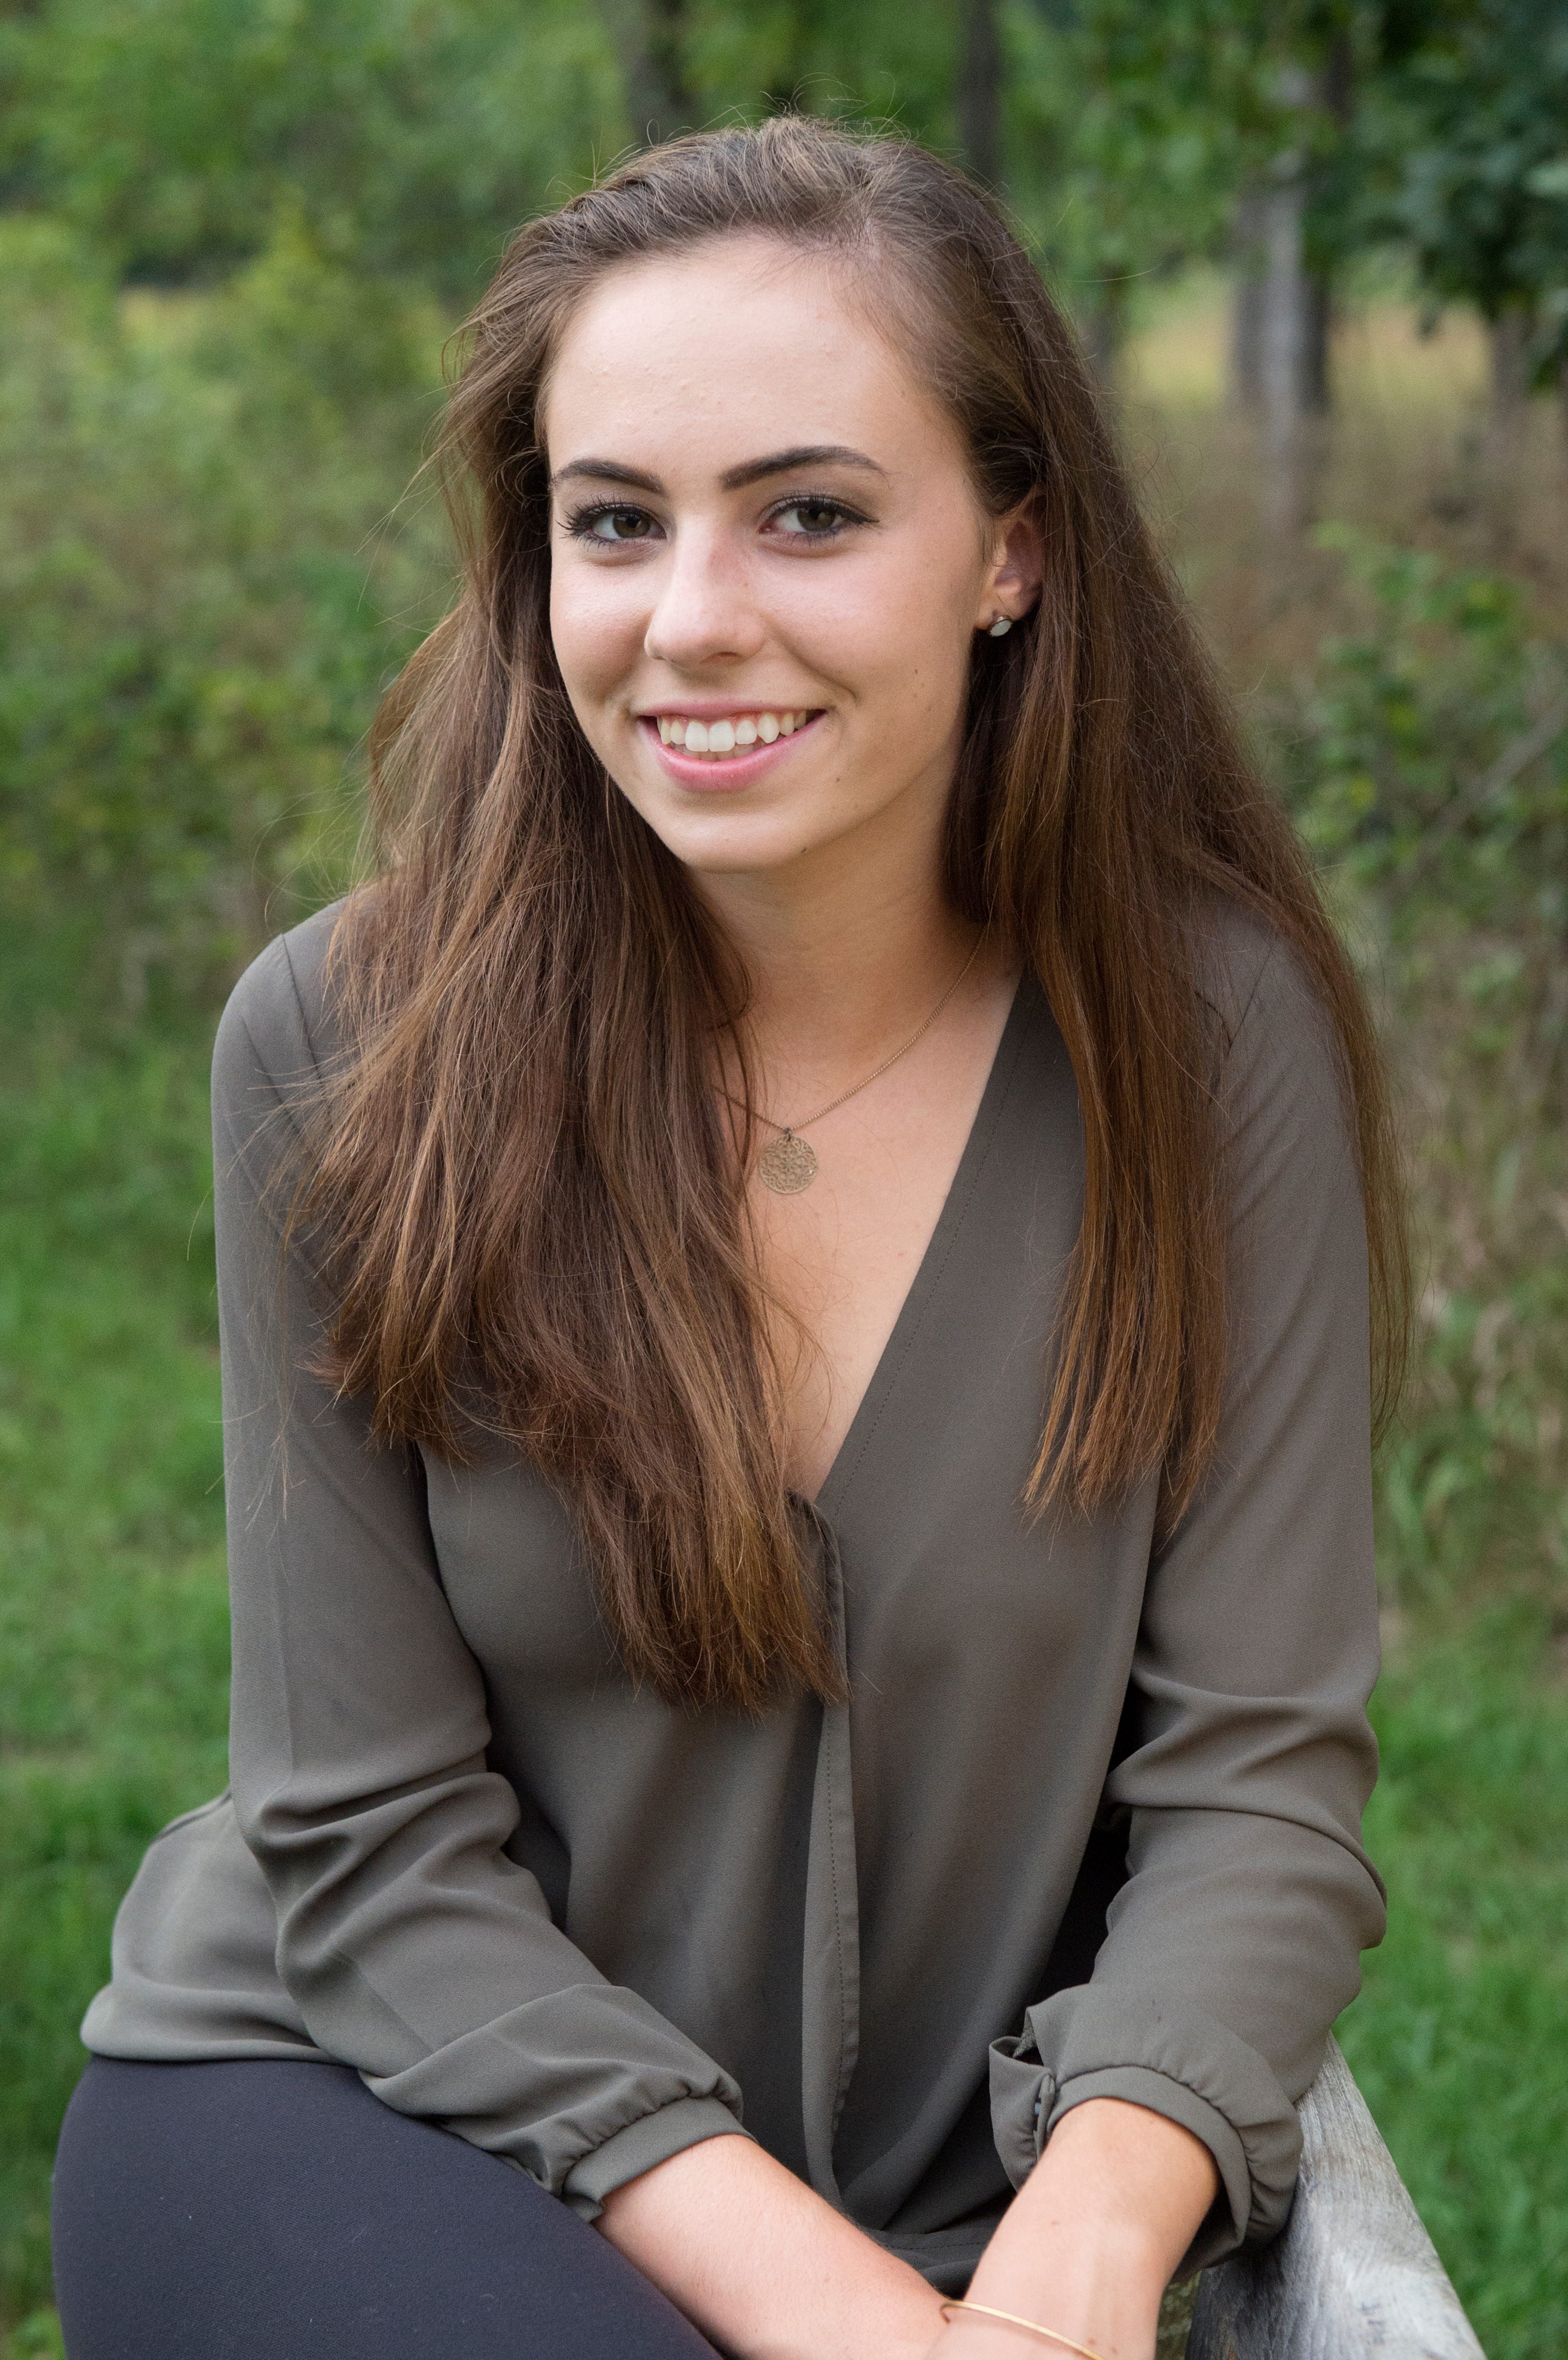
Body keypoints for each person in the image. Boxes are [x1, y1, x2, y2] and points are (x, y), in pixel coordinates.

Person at [51, 117, 1402, 2360]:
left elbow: (1258, 1781)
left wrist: (1072, 2265)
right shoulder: (343, 1038)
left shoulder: (1199, 1038)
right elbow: (369, 1838)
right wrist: (853, 2322)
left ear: (1011, 553)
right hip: (377, 2103)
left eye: (809, 513)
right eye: (613, 523)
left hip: (958, 2175)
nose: (691, 620)